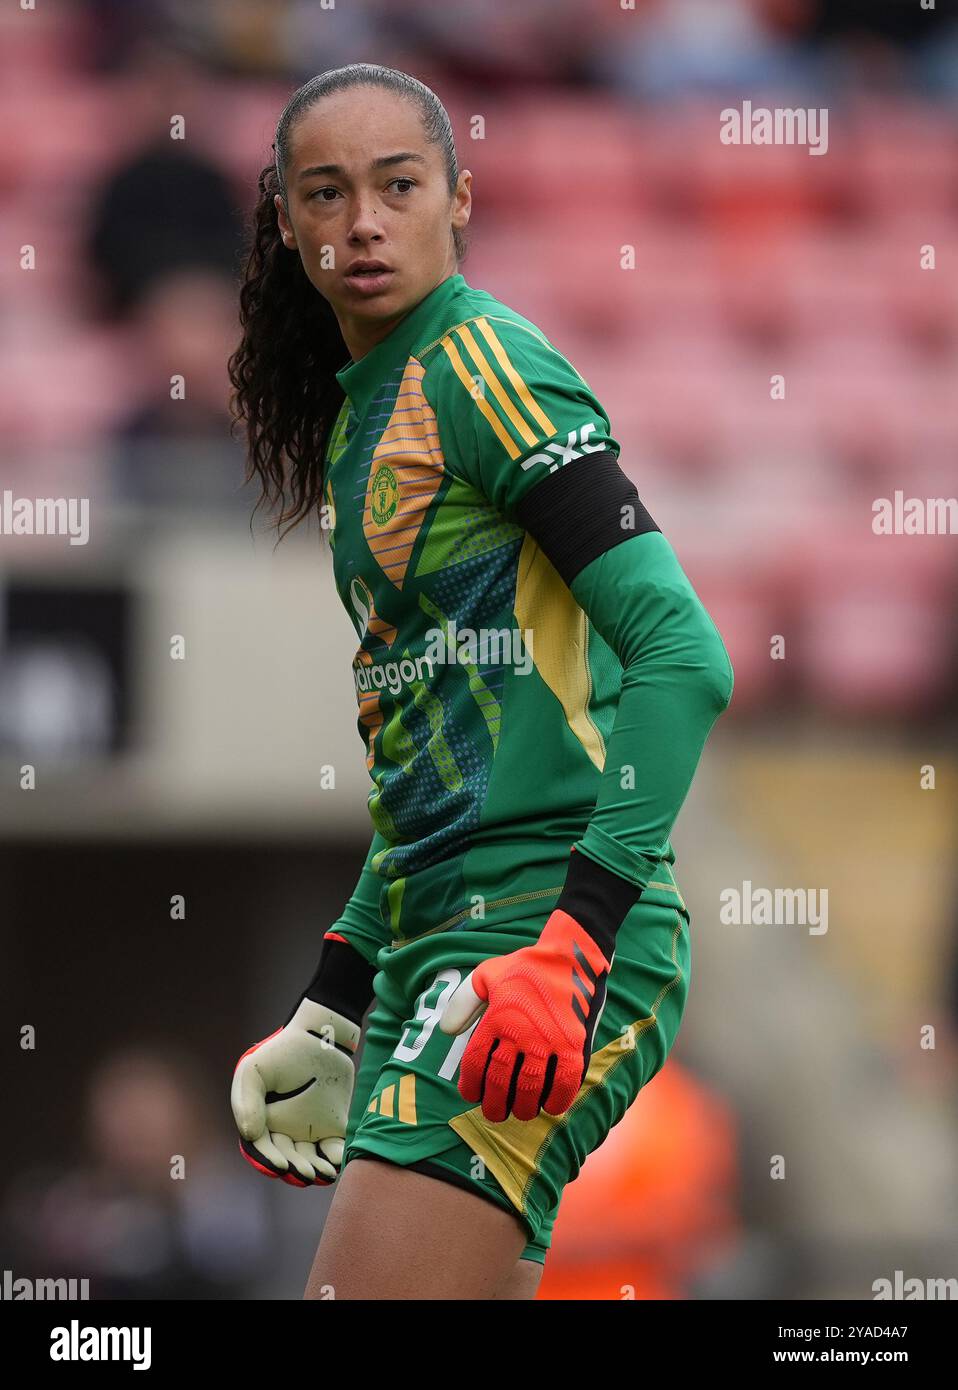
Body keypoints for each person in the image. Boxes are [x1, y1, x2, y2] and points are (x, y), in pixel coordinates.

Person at [227, 62, 734, 1302]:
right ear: (287, 223)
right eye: (326, 193)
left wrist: (573, 945)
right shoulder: (359, 425)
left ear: (460, 199)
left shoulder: (483, 371)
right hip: (439, 942)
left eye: (397, 186)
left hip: (537, 938)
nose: (362, 221)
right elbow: (431, 755)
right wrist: (340, 993)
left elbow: (685, 655)